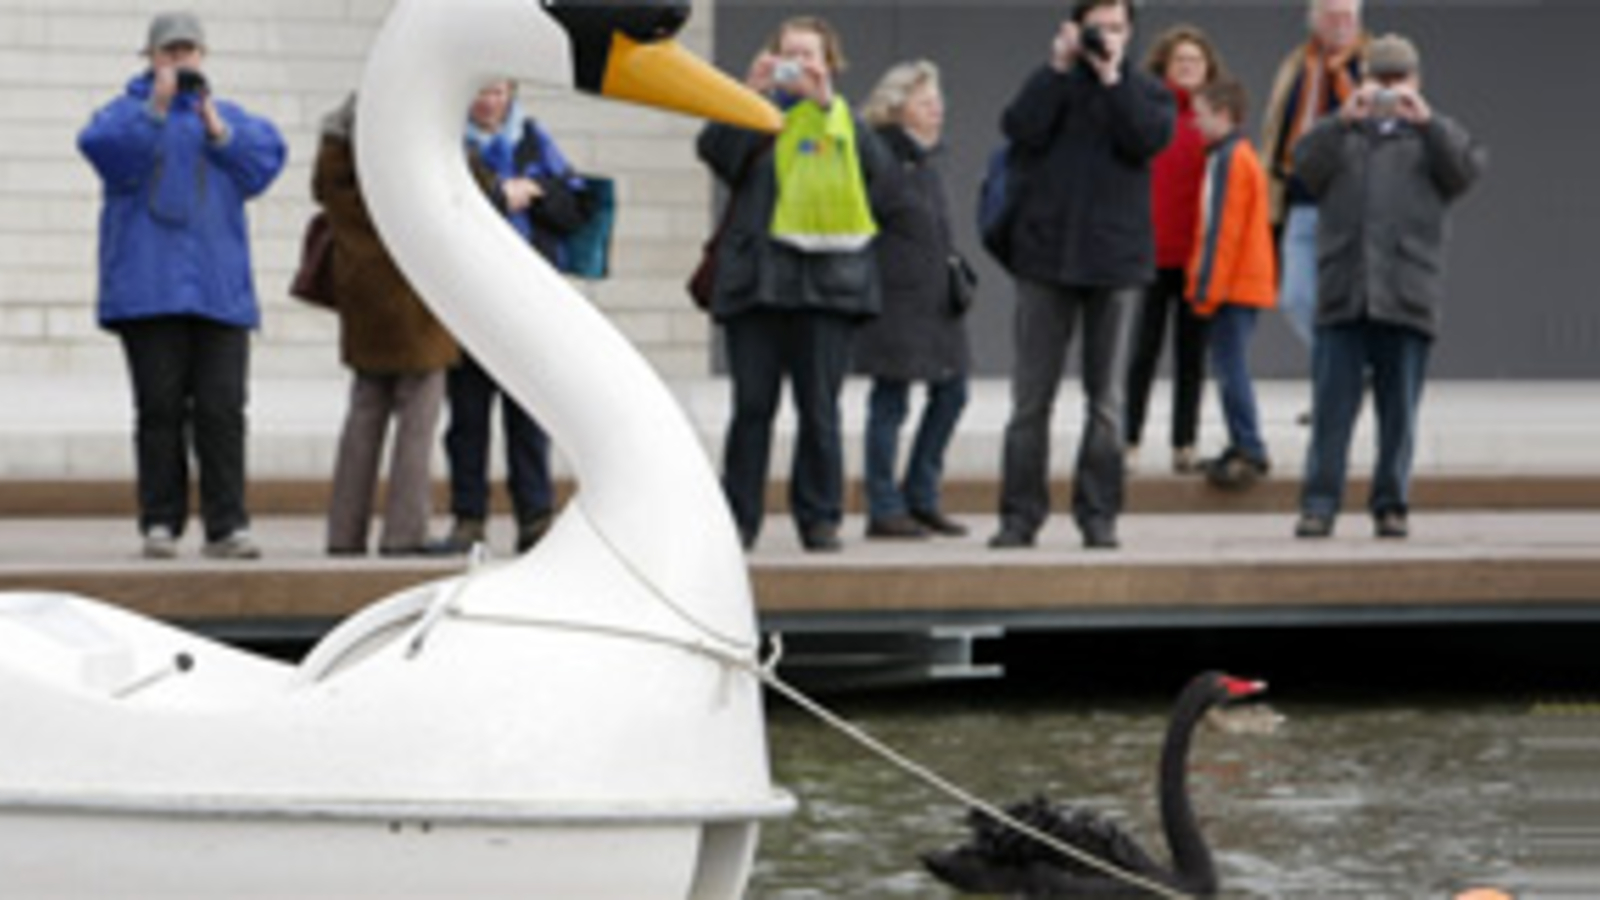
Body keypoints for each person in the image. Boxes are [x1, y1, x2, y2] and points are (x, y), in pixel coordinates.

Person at [77, 11, 286, 561]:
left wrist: (217, 128)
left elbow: (264, 164)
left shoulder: (229, 119)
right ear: (149, 58)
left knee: (223, 410)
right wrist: (157, 108)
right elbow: (103, 148)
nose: (179, 60)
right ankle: (161, 523)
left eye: (188, 51)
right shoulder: (125, 114)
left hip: (218, 294)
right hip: (148, 292)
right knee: (160, 409)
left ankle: (227, 526)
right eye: (169, 52)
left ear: (203, 57)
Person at [698, 17, 891, 552]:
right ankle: (738, 520)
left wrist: (828, 107)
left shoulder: (843, 120)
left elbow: (879, 174)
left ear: (829, 64)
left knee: (820, 410)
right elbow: (715, 153)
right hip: (756, 286)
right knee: (752, 408)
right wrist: (747, 91)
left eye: (810, 56)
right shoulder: (754, 113)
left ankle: (820, 518)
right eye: (789, 54)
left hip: (826, 288)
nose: (799, 65)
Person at [989, 0, 1174, 551]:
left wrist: (1113, 77)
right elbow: (1018, 127)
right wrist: (1056, 67)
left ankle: (1099, 516)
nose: (1106, 37)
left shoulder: (1144, 90)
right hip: (1046, 258)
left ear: (1131, 34)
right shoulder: (1053, 82)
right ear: (1075, 28)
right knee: (1030, 400)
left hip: (1116, 263)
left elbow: (1148, 139)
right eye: (1098, 27)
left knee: (1107, 402)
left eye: (1117, 28)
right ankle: (1019, 518)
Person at [1292, 35, 1485, 539]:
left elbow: (1465, 172)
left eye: (1399, 79)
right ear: (1362, 79)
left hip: (1406, 293)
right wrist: (1340, 118)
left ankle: (1391, 503)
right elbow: (1303, 166)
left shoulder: (1433, 137)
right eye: (1380, 78)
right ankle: (1319, 504)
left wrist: (1430, 122)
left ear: (1417, 81)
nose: (1389, 89)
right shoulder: (1339, 135)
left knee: (1399, 414)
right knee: (1332, 410)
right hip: (1345, 292)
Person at [448, 79, 590, 554]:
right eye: (480, 91)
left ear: (511, 95)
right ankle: (469, 519)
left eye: (497, 91)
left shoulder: (535, 140)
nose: (487, 101)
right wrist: (498, 199)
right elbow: (447, 210)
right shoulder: (450, 145)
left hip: (529, 299)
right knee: (468, 418)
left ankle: (535, 517)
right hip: (470, 296)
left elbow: (573, 208)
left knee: (529, 415)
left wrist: (535, 191)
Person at [313, 96, 458, 557]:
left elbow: (324, 193)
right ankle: (404, 533)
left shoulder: (337, 166)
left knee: (363, 417)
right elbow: (471, 184)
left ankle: (343, 533)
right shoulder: (411, 160)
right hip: (416, 305)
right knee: (417, 424)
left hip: (364, 304)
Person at [853, 60, 972, 540]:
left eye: (938, 101)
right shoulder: (879, 155)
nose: (937, 110)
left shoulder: (927, 160)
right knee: (890, 402)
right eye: (926, 102)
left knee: (953, 392)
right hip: (896, 302)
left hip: (939, 304)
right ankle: (884, 506)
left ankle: (922, 496)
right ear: (898, 107)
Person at [1123, 25, 1224, 477]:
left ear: (1208, 71)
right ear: (1164, 65)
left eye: (1195, 61)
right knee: (1142, 351)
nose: (1188, 68)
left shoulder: (1214, 123)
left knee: (1192, 353)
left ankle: (1185, 444)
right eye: (1180, 60)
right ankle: (1128, 440)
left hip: (1197, 256)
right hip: (1150, 251)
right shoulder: (1148, 112)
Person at [1186, 78, 1278, 490]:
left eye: (1201, 114)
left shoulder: (1227, 159)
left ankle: (1250, 447)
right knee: (1229, 366)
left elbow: (1223, 230)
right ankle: (1243, 443)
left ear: (1224, 116)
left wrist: (1207, 289)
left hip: (1233, 286)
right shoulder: (1237, 155)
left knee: (1230, 368)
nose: (1194, 123)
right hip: (1244, 282)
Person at [1261, 0, 1366, 355]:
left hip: (1354, 201)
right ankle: (1344, 370)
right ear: (1315, 21)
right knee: (1296, 296)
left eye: (1349, 16)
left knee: (1348, 300)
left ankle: (1334, 388)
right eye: (1333, 15)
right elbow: (1278, 125)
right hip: (1301, 198)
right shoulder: (1297, 66)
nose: (1341, 23)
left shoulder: (1372, 64)